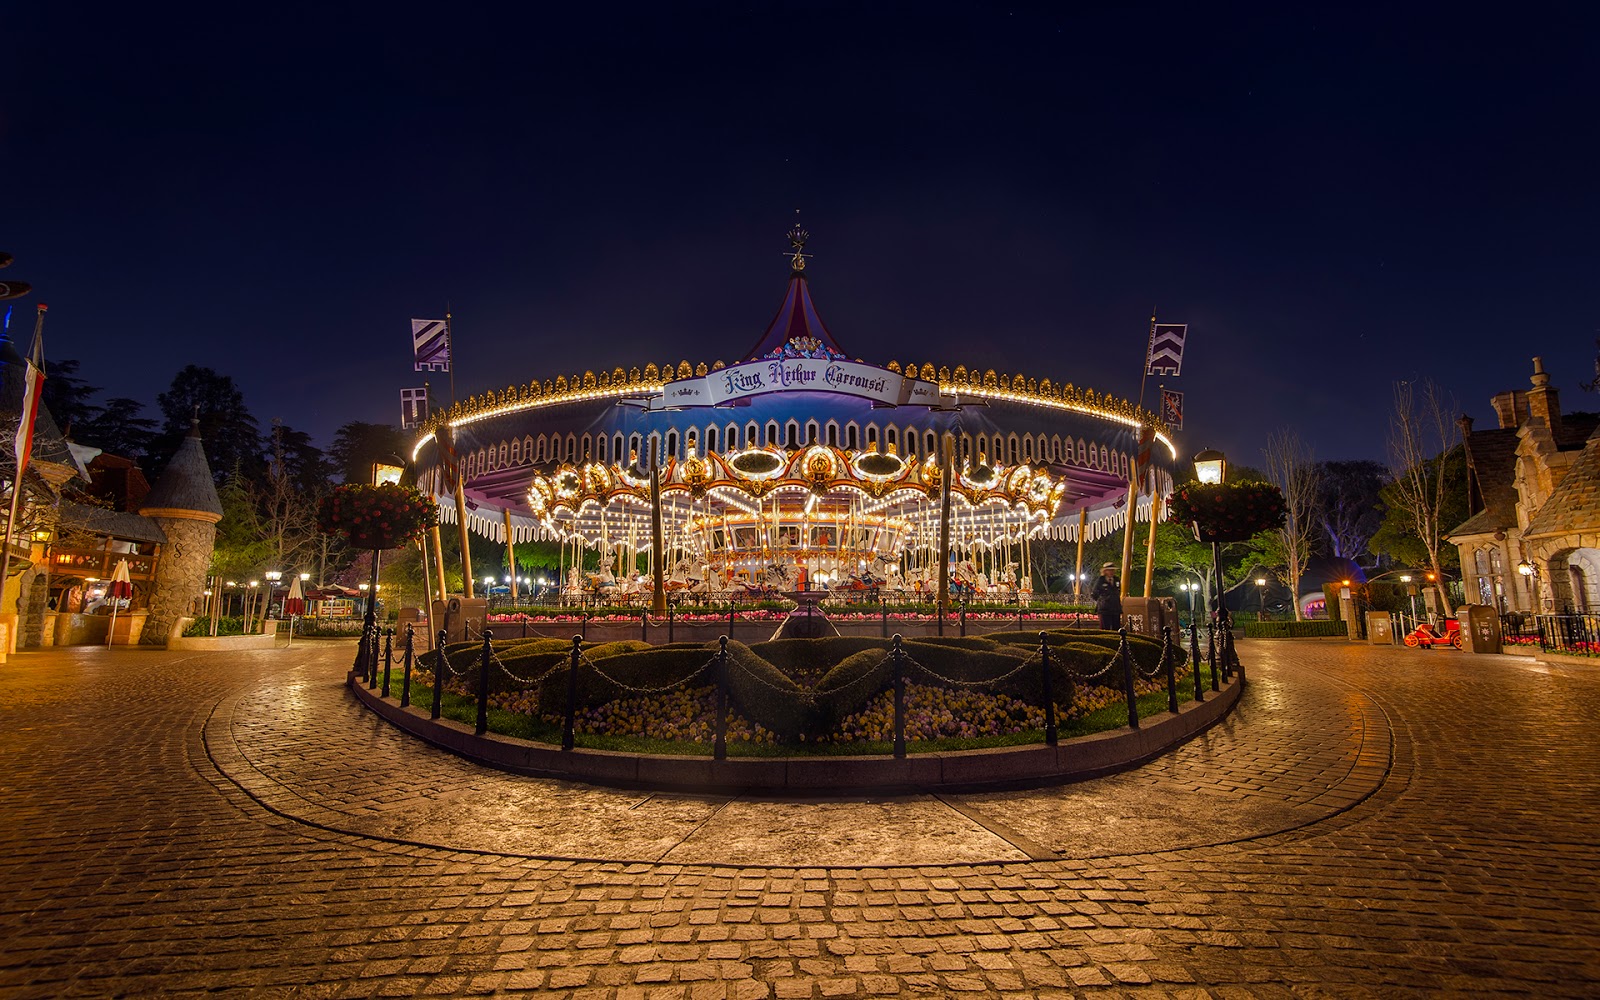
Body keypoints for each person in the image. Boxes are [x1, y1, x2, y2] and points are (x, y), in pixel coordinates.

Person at [1090, 561, 1122, 630]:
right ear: (1105, 571)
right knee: (1105, 628)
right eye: (1109, 570)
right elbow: (1094, 593)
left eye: (1113, 570)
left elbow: (1118, 591)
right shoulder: (1100, 580)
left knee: (1116, 628)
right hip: (1104, 609)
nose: (1111, 572)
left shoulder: (1116, 580)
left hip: (1115, 608)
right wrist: (1103, 600)